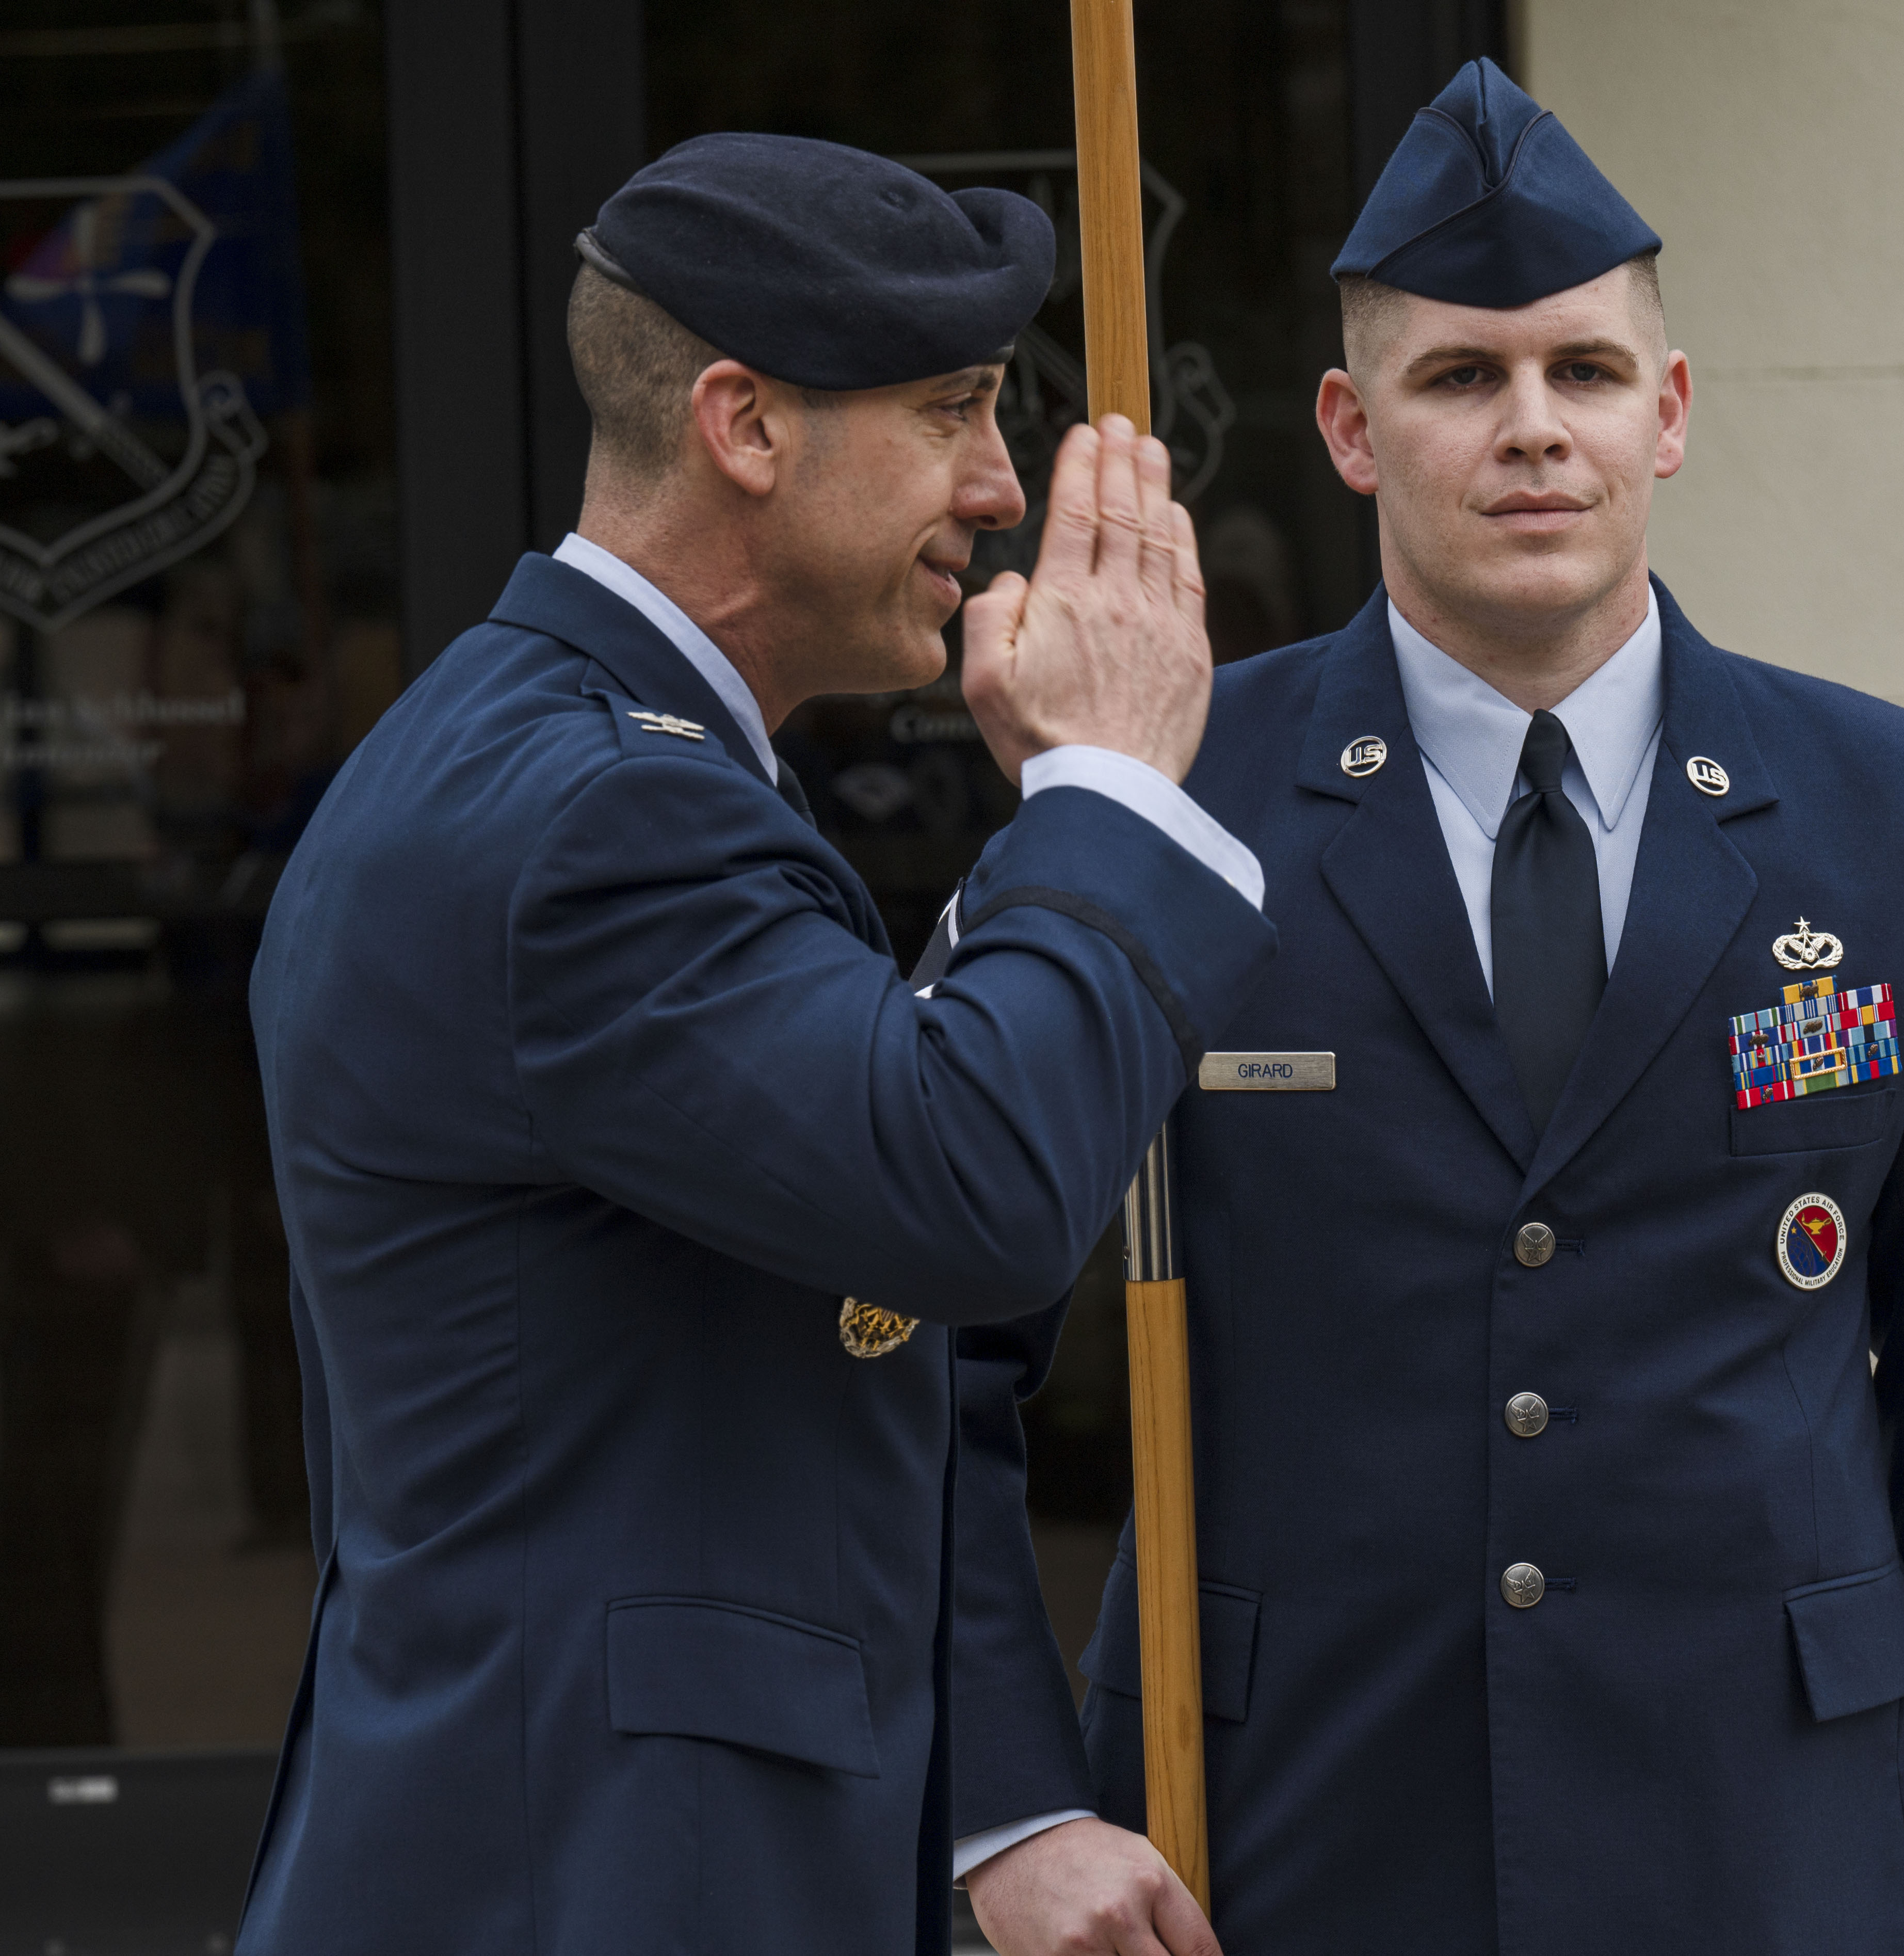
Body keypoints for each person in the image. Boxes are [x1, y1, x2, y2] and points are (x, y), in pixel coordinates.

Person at [919, 60, 1904, 1954]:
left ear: (1673, 412)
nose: (1532, 430)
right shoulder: (1162, 797)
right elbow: (932, 1345)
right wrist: (1011, 1801)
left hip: (1778, 1848)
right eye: (1461, 378)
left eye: (1585, 374)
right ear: (1350, 427)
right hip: (1286, 1848)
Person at [241, 135, 1272, 1956]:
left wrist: (1049, 837)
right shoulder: (597, 815)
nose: (1000, 486)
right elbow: (973, 1189)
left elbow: (869, 1171)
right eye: (952, 408)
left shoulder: (582, 762)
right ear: (745, 426)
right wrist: (1111, 788)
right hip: (589, 1876)